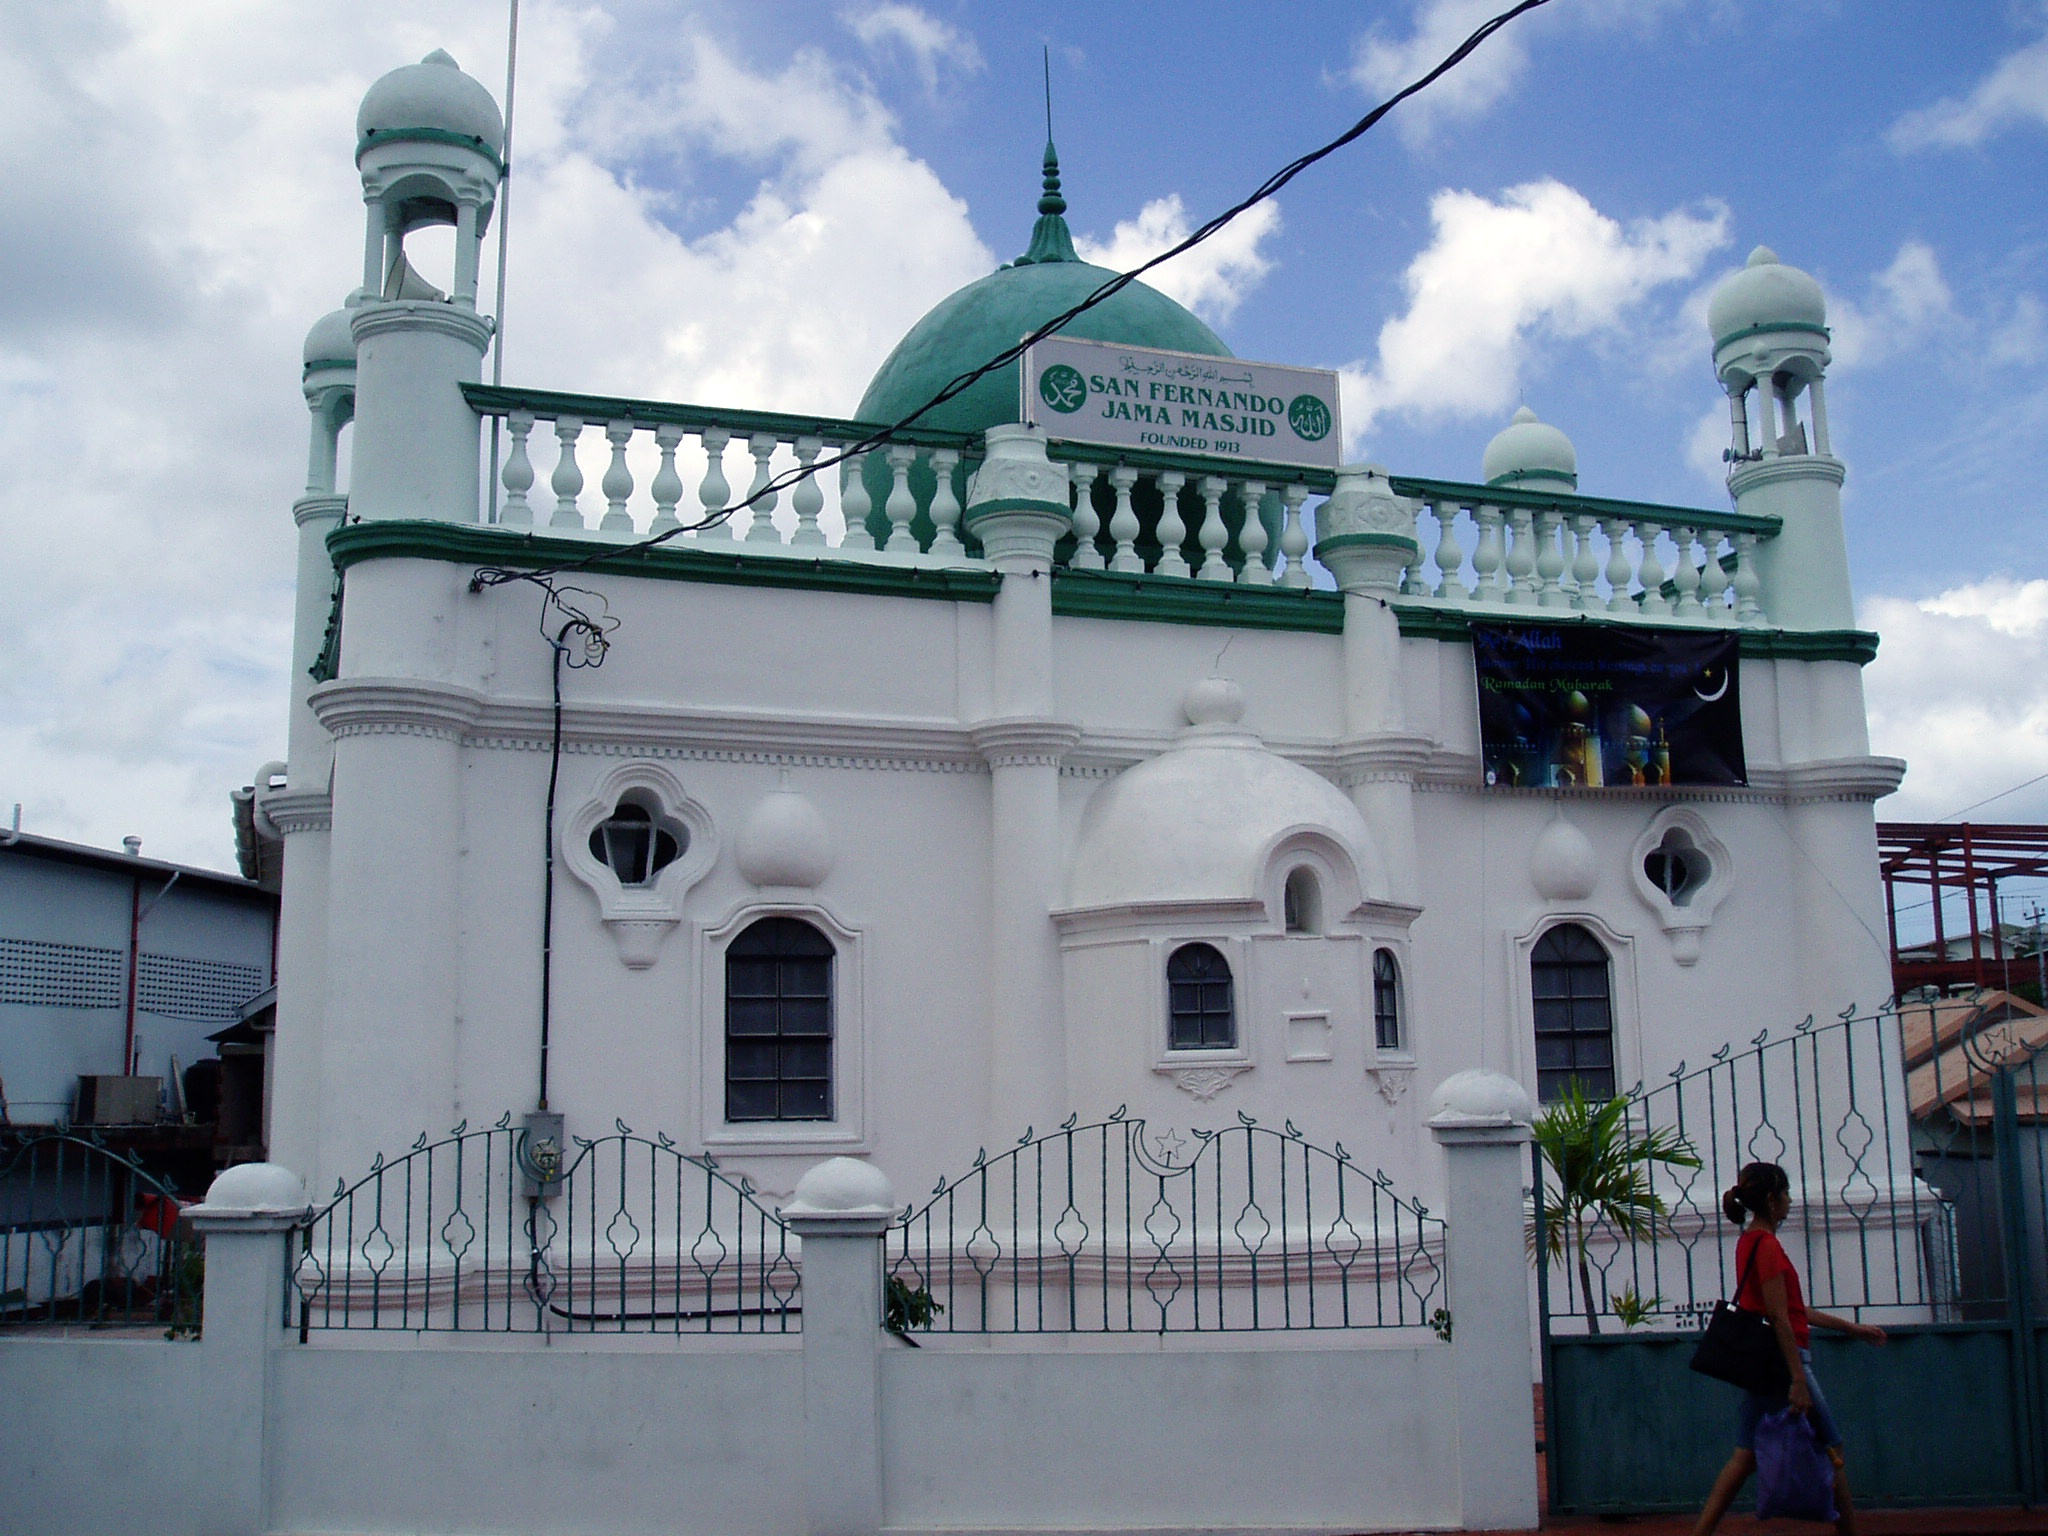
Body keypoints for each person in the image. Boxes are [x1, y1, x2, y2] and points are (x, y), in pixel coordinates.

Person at [1691, 1160, 1887, 1536]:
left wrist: (1852, 1328)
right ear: (1771, 1199)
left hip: (1764, 1366)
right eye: (1785, 1194)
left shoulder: (1750, 1243)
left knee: (1745, 1456)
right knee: (1833, 1448)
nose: (1790, 1201)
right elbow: (1781, 1319)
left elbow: (1792, 1310)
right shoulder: (1766, 1246)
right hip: (1784, 1364)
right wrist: (1798, 1379)